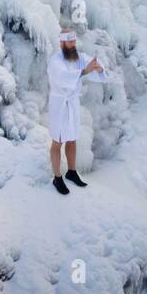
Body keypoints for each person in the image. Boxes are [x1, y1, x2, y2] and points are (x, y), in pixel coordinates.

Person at [47, 29, 108, 195]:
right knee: (58, 141)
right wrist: (86, 71)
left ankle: (71, 172)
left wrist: (98, 68)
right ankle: (57, 177)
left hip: (72, 103)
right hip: (59, 104)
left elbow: (92, 64)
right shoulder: (55, 61)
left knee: (72, 138)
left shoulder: (78, 57)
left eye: (74, 42)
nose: (73, 45)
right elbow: (64, 77)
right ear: (62, 43)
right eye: (69, 42)